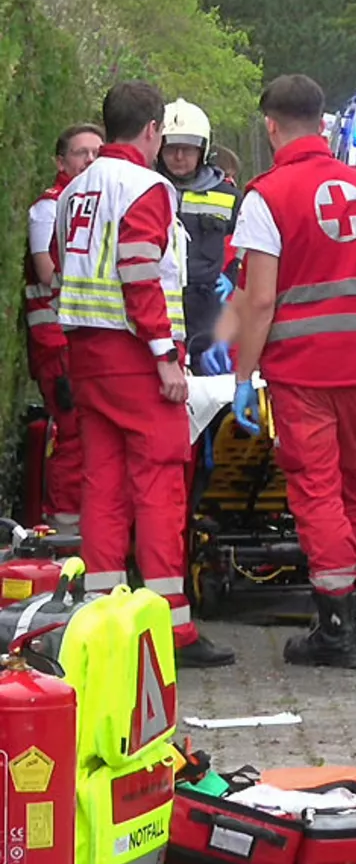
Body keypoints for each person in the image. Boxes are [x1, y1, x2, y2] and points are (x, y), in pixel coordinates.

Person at [230, 74, 356, 669]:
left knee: (316, 492)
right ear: (323, 123)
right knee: (350, 488)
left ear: (270, 125)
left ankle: (335, 629)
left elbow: (259, 300)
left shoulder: (266, 197)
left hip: (304, 370)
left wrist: (244, 376)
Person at [52, 82, 217, 666]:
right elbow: (140, 274)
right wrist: (165, 357)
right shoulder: (146, 187)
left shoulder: (74, 190)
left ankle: (103, 619)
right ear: (151, 130)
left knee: (102, 484)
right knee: (159, 486)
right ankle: (169, 630)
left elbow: (60, 267)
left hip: (86, 355)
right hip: (135, 358)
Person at [24, 123, 102, 534]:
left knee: (92, 435)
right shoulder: (49, 208)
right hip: (56, 341)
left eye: (96, 153)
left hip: (83, 338)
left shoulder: (94, 202)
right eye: (80, 153)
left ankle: (84, 525)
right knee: (71, 434)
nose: (90, 160)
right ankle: (65, 529)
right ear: (61, 161)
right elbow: (46, 270)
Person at [158, 99, 239, 370]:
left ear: (202, 149)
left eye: (187, 149)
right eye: (171, 148)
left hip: (207, 306)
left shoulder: (227, 196)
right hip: (158, 303)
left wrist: (232, 277)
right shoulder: (145, 187)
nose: (179, 157)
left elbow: (253, 246)